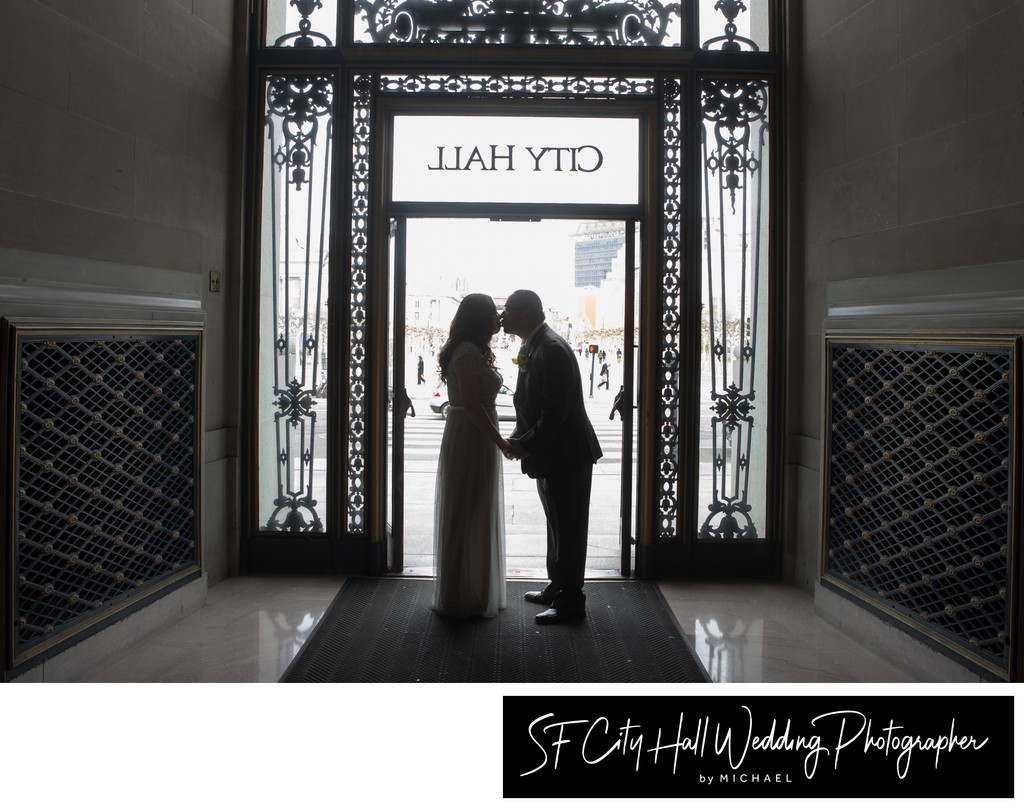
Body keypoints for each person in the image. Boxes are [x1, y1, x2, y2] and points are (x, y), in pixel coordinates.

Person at [502, 289, 602, 624]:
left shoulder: (552, 348)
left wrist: (525, 444)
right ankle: (557, 586)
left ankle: (571, 600)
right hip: (553, 453)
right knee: (555, 524)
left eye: (509, 310)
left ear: (528, 314)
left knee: (569, 528)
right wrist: (520, 438)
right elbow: (530, 406)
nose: (503, 315)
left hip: (568, 454)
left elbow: (555, 412)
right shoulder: (534, 344)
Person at [432, 294, 510, 618]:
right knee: (469, 509)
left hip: (474, 434)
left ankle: (473, 589)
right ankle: (464, 594)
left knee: (475, 508)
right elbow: (472, 405)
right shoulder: (466, 353)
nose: (499, 317)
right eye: (493, 313)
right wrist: (501, 441)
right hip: (470, 436)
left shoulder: (472, 350)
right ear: (480, 319)